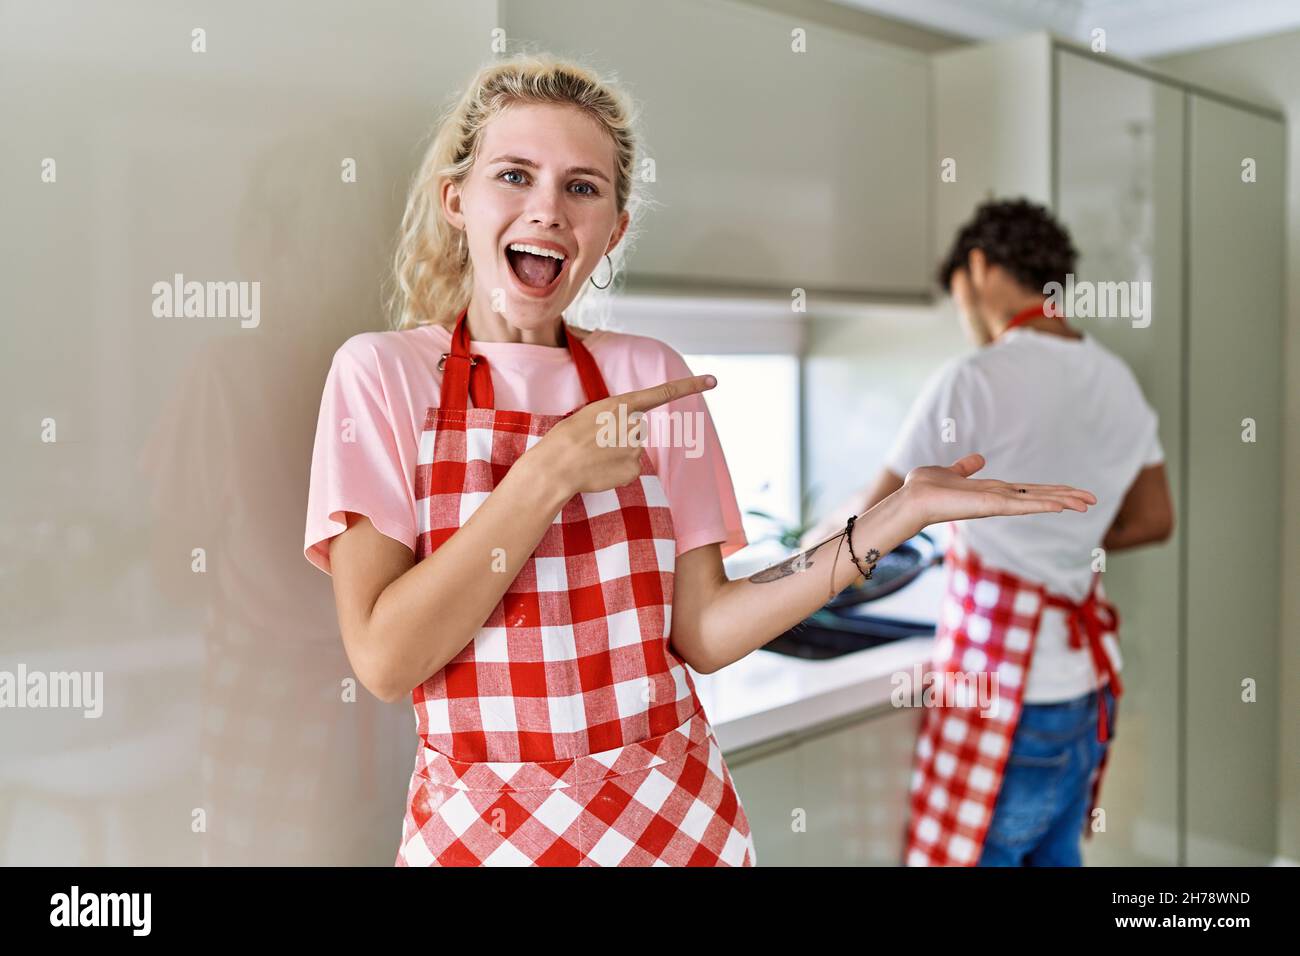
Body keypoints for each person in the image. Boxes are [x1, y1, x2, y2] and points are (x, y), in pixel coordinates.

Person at [303, 57, 1098, 867]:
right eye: (514, 175)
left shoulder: (651, 376)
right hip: (483, 837)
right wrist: (548, 473)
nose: (547, 210)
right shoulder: (384, 376)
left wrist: (897, 516)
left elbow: (706, 631)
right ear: (456, 200)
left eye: (583, 187)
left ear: (612, 229)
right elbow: (386, 659)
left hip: (674, 826)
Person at [805, 198, 1175, 866]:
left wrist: (803, 553)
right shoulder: (1117, 380)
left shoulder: (973, 379)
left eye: (959, 297)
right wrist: (1065, 540)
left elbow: (873, 519)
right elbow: (1154, 520)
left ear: (977, 268)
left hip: (1005, 698)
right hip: (1084, 688)